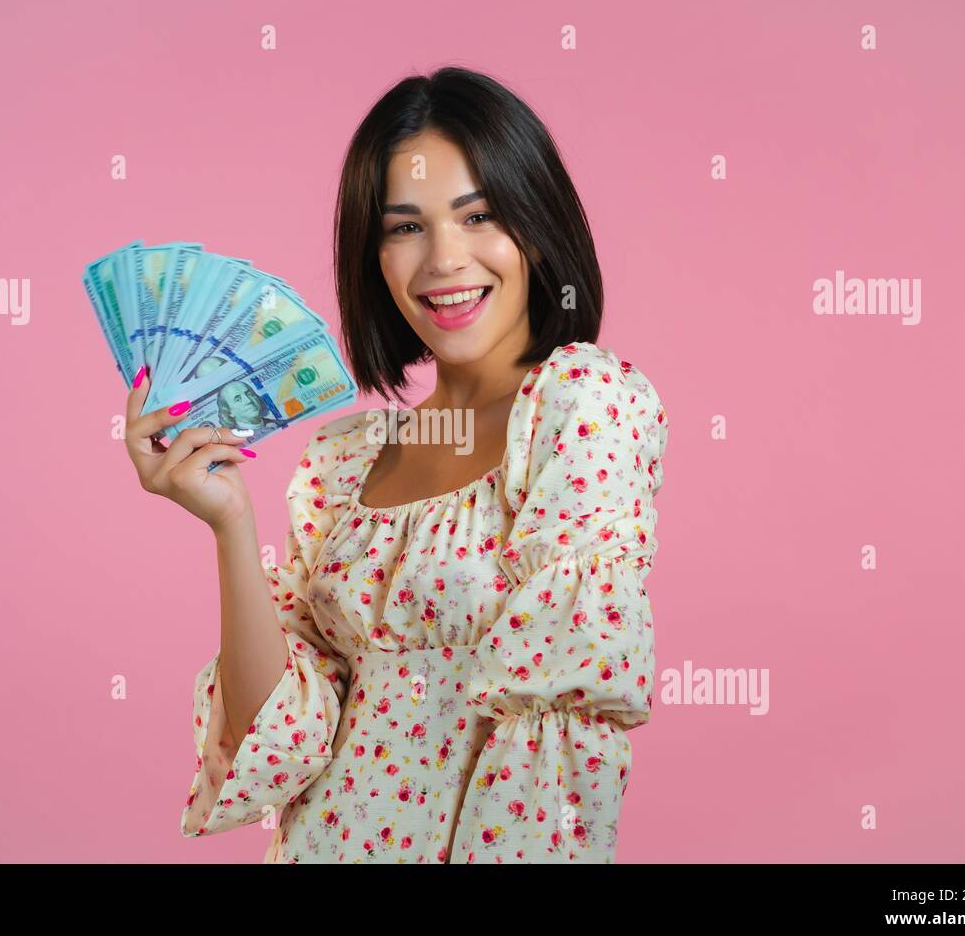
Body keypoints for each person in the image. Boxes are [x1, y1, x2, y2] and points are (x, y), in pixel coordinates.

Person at [122, 66, 670, 863]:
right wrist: (230, 522)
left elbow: (559, 743)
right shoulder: (341, 464)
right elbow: (278, 742)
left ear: (537, 223)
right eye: (405, 227)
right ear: (373, 256)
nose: (444, 259)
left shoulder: (581, 404)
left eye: (478, 216)